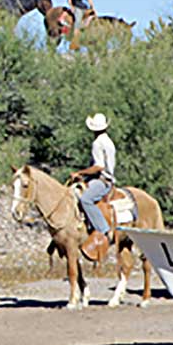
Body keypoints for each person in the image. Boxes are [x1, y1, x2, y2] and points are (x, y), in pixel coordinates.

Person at [70, 113, 116, 263]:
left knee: (86, 199)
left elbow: (98, 166)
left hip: (103, 180)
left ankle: (102, 228)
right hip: (105, 178)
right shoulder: (108, 141)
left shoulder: (97, 143)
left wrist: (80, 173)